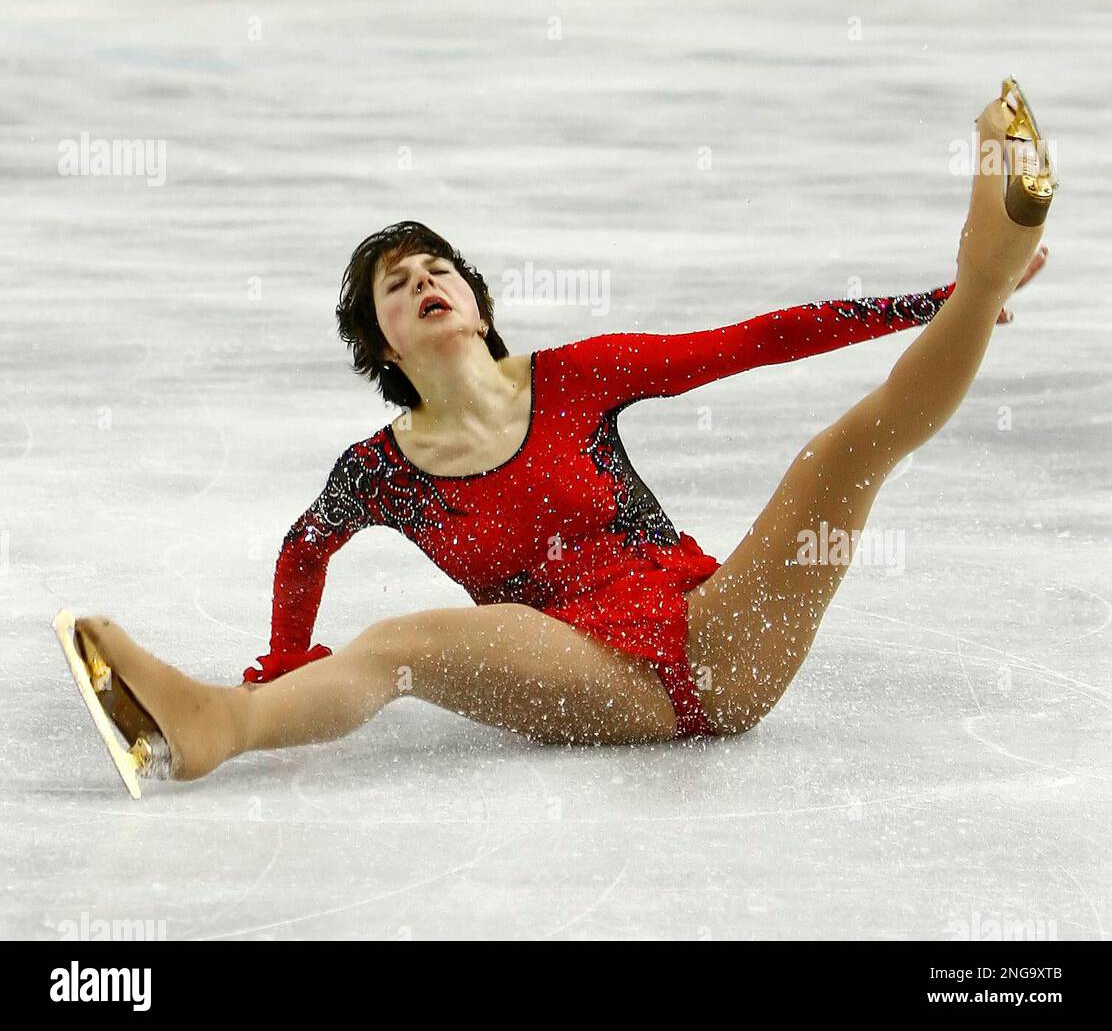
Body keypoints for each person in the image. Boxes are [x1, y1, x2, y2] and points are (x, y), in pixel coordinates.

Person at [67, 92, 1053, 783]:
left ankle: (979, 275)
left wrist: (922, 303)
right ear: (383, 340)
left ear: (475, 299)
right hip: (586, 675)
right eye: (397, 286)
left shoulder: (578, 376)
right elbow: (304, 546)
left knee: (840, 452)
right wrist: (285, 663)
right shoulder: (380, 472)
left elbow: (758, 339)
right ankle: (212, 725)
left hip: (718, 631)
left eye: (435, 268)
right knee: (397, 644)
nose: (423, 283)